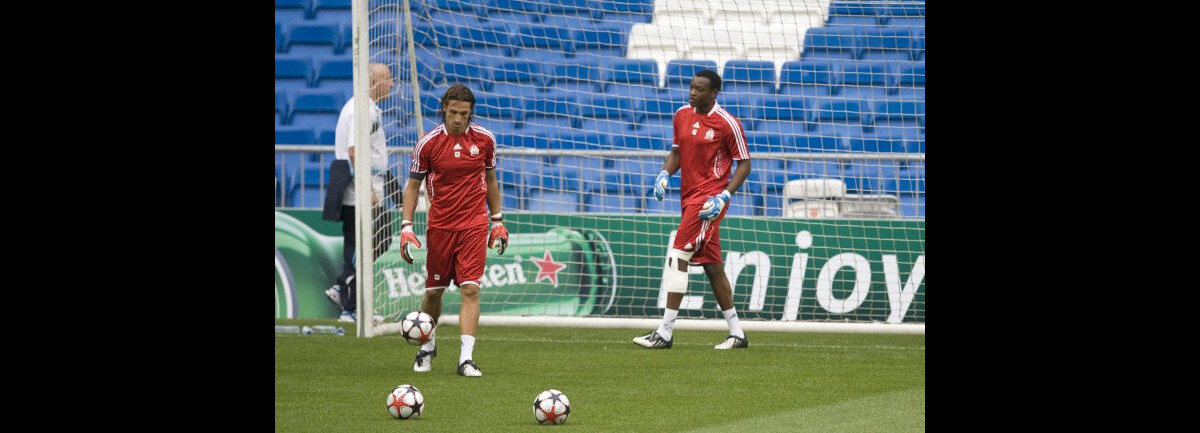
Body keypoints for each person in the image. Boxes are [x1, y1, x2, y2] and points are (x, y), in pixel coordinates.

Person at [632, 69, 753, 350]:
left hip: (707, 202)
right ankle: (737, 333)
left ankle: (664, 331)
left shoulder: (727, 123)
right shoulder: (682, 114)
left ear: (714, 93)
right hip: (687, 197)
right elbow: (677, 152)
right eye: (691, 87)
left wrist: (724, 195)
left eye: (700, 89)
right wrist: (664, 173)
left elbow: (744, 163)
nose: (692, 93)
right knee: (713, 267)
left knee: (677, 256)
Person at [400, 84, 508, 377]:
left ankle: (466, 359)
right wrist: (406, 227)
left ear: (470, 113)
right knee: (433, 292)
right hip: (440, 227)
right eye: (453, 112)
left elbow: (491, 180)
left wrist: (497, 221)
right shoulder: (429, 143)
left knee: (471, 289)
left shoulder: (485, 140)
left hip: (474, 224)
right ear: (444, 109)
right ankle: (427, 346)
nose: (458, 119)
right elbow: (412, 187)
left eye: (464, 113)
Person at [322, 63, 396, 323]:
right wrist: (368, 190)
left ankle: (345, 289)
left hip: (368, 189)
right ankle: (349, 306)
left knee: (379, 236)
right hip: (359, 193)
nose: (392, 83)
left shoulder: (368, 108)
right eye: (387, 78)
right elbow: (353, 151)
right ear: (373, 81)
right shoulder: (360, 110)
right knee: (360, 246)